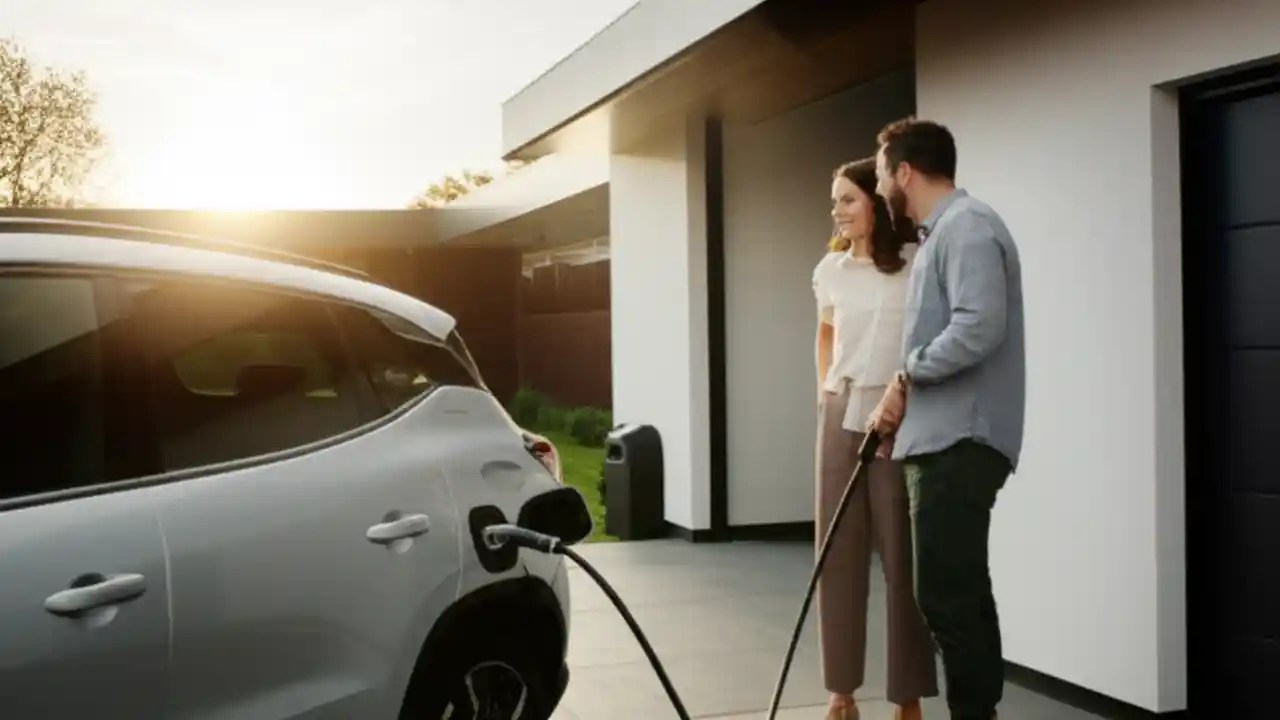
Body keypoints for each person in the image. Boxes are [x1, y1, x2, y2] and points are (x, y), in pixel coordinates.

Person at [867, 118, 1025, 720]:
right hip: (943, 438)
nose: (881, 185)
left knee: (946, 598)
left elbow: (980, 325)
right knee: (960, 595)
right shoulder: (944, 234)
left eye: (882, 172)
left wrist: (907, 374)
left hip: (961, 441)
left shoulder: (967, 227)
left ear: (904, 172)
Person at [813, 158, 939, 720]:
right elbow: (824, 332)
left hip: (896, 418)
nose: (837, 210)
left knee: (900, 558)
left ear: (875, 203)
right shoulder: (830, 269)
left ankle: (907, 695)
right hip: (839, 413)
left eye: (847, 199)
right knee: (836, 555)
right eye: (835, 200)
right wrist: (823, 389)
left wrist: (904, 399)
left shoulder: (913, 266)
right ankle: (841, 692)